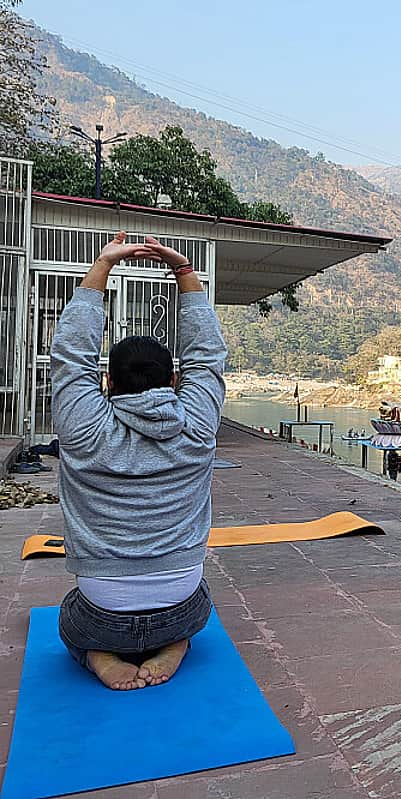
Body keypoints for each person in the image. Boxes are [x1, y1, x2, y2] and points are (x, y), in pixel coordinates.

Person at [51, 232, 226, 691]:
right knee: (201, 600)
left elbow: (70, 355)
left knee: (69, 617)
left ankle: (97, 653)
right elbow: (207, 358)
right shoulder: (198, 427)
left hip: (99, 613)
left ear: (106, 380)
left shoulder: (83, 428)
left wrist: (103, 265)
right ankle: (176, 642)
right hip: (182, 606)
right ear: (173, 379)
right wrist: (185, 273)